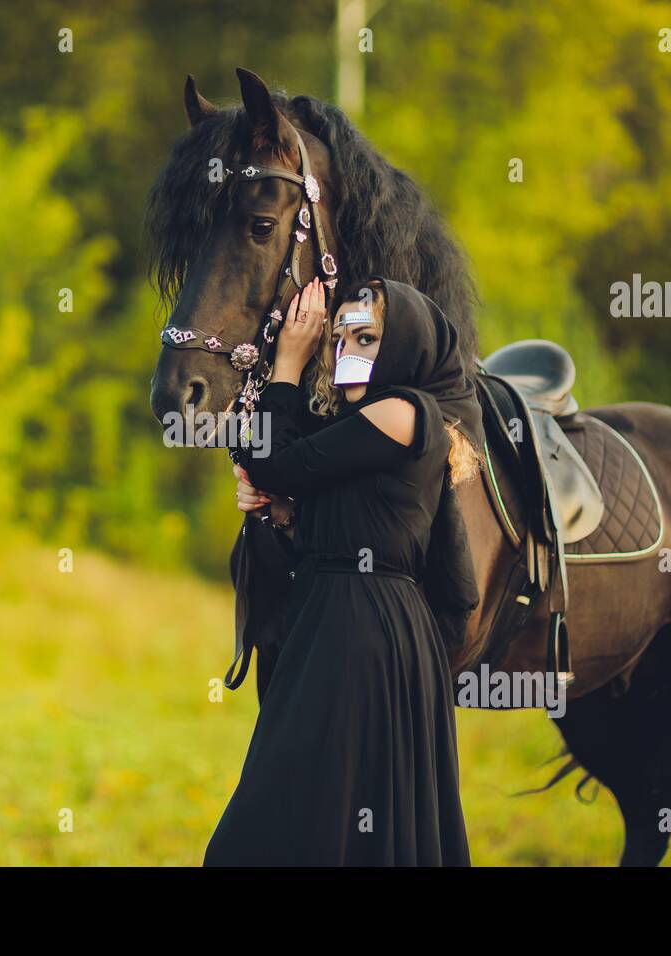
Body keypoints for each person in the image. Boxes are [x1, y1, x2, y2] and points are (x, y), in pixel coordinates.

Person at [203, 274, 477, 866]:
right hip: (331, 619)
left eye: (369, 338)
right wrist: (276, 513)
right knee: (304, 807)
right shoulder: (354, 432)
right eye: (341, 339)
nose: (348, 350)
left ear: (405, 346)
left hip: (367, 632)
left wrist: (286, 367)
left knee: (281, 813)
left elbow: (276, 460)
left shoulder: (404, 412)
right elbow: (296, 490)